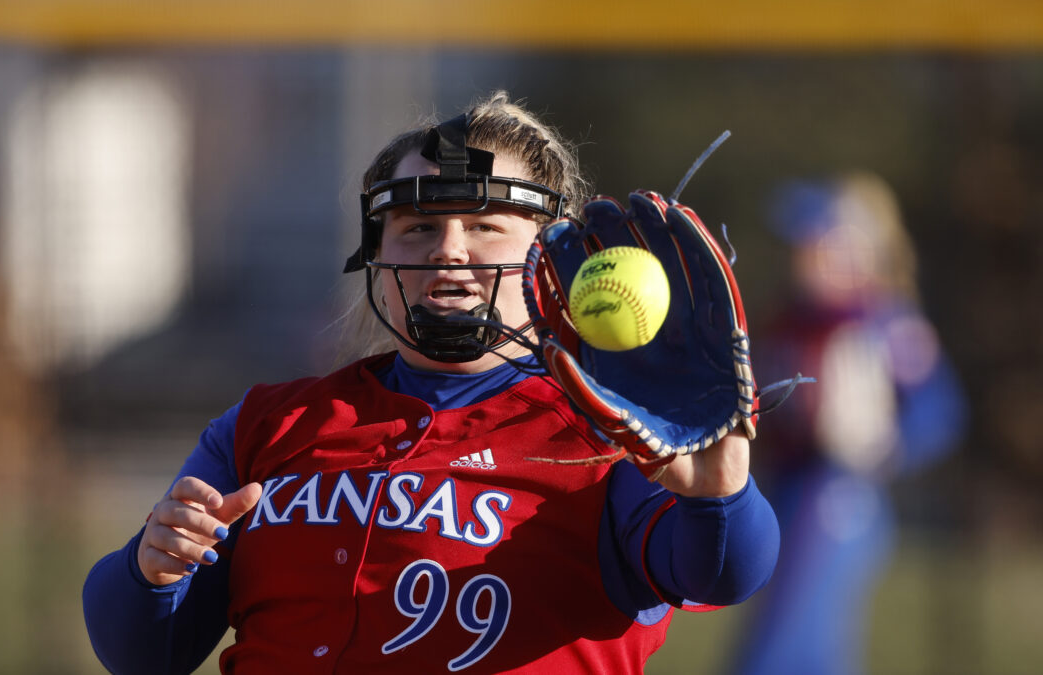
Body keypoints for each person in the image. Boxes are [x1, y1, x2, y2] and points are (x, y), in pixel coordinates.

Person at [83, 91, 780, 674]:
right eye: (417, 226)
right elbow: (142, 653)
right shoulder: (270, 422)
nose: (449, 247)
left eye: (485, 225)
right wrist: (152, 570)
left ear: (556, 255)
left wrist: (720, 497)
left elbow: (721, 571)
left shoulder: (607, 428)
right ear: (376, 253)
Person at [731, 173, 967, 675]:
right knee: (810, 653)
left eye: (814, 239)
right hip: (788, 491)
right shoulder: (788, 318)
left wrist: (885, 447)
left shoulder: (880, 322)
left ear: (854, 247)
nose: (801, 251)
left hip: (838, 495)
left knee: (779, 648)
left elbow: (941, 411)